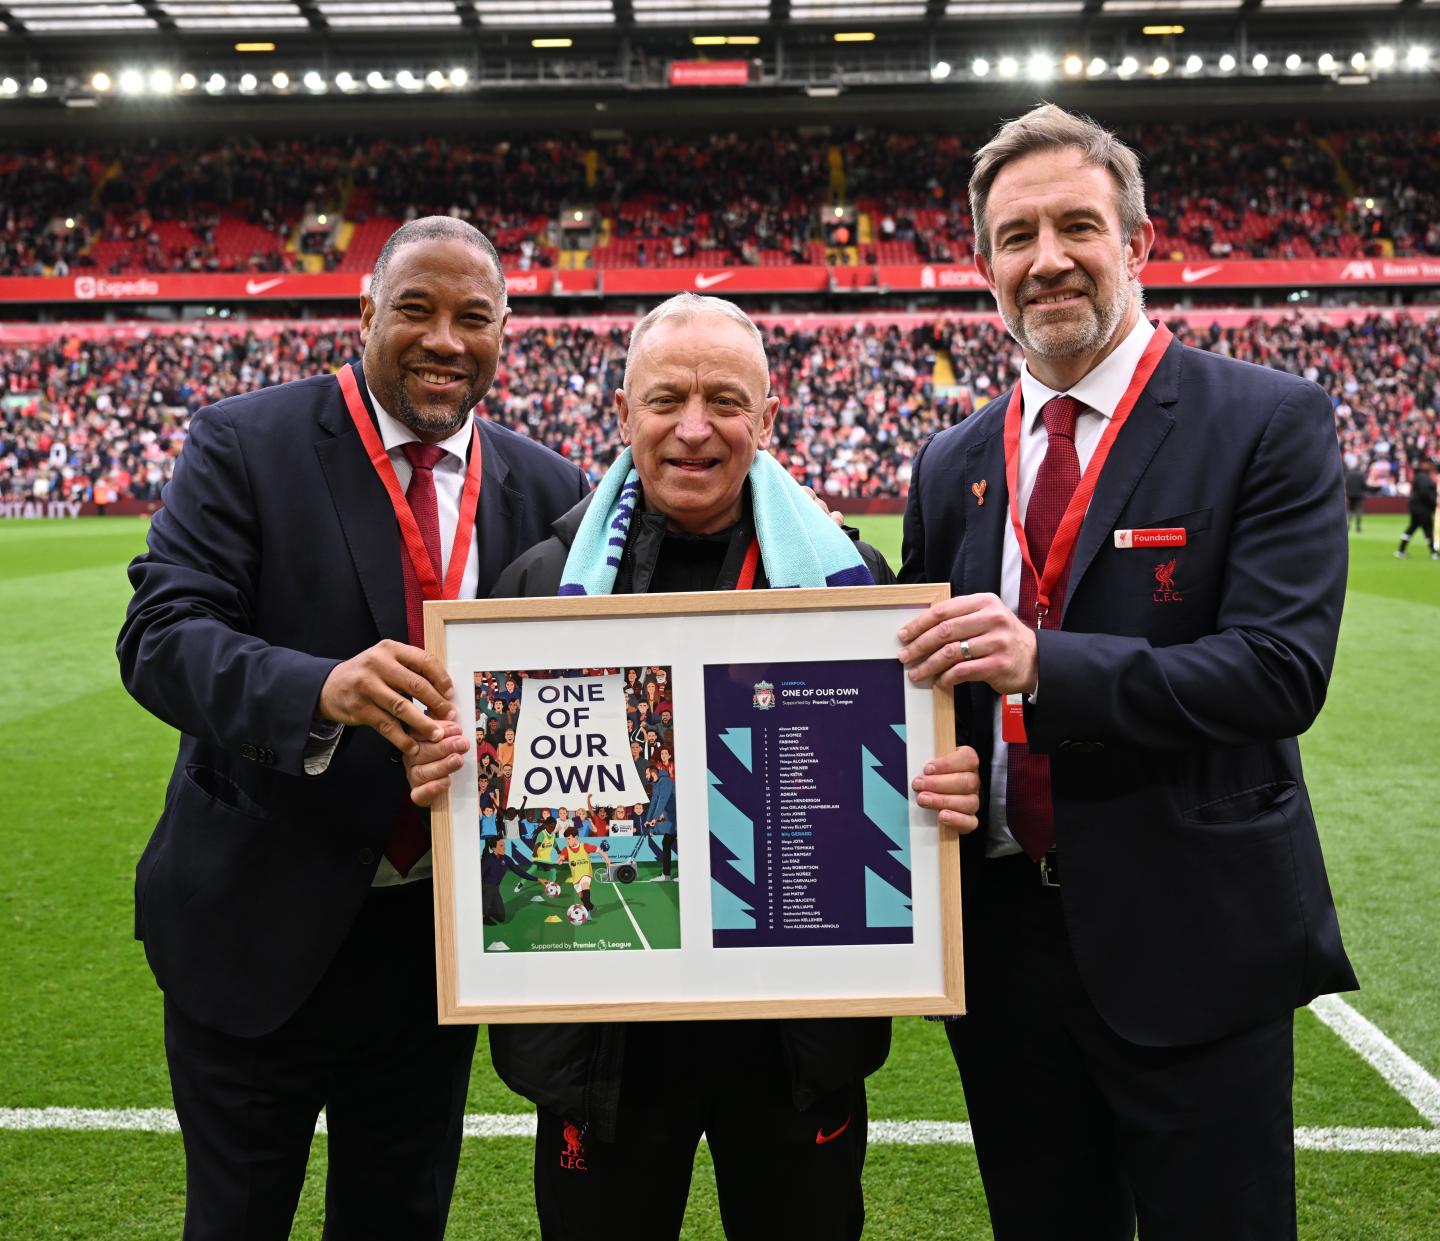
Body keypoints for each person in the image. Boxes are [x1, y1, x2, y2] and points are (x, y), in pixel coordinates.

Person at [403, 293, 983, 1241]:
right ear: (623, 413)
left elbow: (896, 782)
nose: (695, 428)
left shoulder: (853, 586)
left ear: (769, 417)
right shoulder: (538, 588)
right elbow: (490, 797)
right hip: (604, 1051)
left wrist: (936, 789)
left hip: (798, 1044)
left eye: (725, 401)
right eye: (667, 399)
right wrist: (452, 779)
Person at [895, 105, 1356, 1241]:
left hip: (1193, 935)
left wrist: (1044, 664)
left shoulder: (1267, 420)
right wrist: (940, 762)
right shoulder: (951, 460)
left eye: (1077, 226)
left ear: (1139, 243)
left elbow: (1279, 670)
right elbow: (927, 692)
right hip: (1003, 947)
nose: (1046, 259)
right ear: (984, 265)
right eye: (1016, 236)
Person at [115, 216, 589, 1241]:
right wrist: (320, 689)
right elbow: (159, 635)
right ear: (365, 311)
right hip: (257, 924)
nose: (444, 340)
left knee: (398, 1217)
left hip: (435, 946)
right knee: (235, 1219)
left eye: (474, 317)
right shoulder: (246, 441)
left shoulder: (556, 489)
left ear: (505, 331)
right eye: (416, 309)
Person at [482, 836, 541, 924]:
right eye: (501, 846)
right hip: (484, 890)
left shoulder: (506, 859)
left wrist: (538, 879)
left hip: (494, 890)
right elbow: (479, 876)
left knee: (501, 917)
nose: (504, 848)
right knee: (491, 888)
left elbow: (520, 872)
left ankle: (488, 908)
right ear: (494, 849)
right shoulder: (488, 859)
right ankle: (483, 914)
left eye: (504, 845)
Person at [642, 762, 678, 882]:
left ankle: (685, 875)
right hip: (673, 819)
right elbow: (654, 802)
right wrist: (648, 820)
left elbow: (662, 801)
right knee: (666, 843)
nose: (646, 777)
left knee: (680, 845)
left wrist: (655, 818)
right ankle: (666, 875)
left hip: (680, 818)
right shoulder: (656, 784)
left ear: (653, 773)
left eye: (647, 774)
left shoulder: (665, 782)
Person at [1396, 460, 1438, 559]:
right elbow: (1425, 493)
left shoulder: (1419, 476)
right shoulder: (1424, 478)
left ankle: (1401, 550)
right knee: (1427, 530)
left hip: (1416, 508)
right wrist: (1433, 502)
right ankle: (1433, 553)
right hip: (1423, 509)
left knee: (1412, 529)